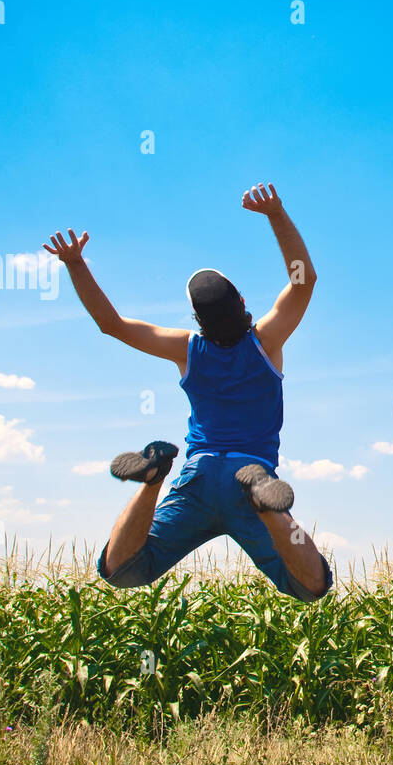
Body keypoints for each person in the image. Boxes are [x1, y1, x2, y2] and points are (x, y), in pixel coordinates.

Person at [42, 182, 331, 601]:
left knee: (122, 570)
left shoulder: (186, 348)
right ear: (243, 301)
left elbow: (112, 324)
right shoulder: (266, 342)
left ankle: (153, 478)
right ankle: (268, 509)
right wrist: (275, 214)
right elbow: (304, 282)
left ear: (196, 317)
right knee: (310, 586)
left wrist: (74, 263)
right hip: (250, 474)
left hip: (199, 474)